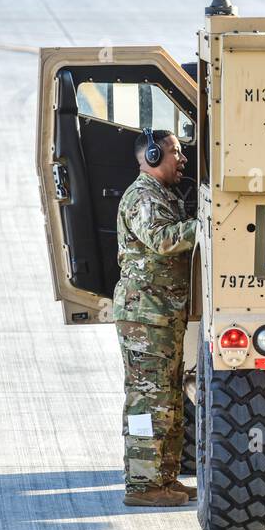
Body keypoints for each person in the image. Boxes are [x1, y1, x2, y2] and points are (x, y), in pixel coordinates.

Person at [114, 128, 196, 506]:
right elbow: (162, 239)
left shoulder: (163, 194)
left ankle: (164, 478)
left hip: (163, 314)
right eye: (174, 152)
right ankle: (143, 486)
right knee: (147, 400)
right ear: (150, 156)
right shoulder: (143, 197)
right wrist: (209, 226)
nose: (181, 158)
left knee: (169, 400)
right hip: (145, 317)